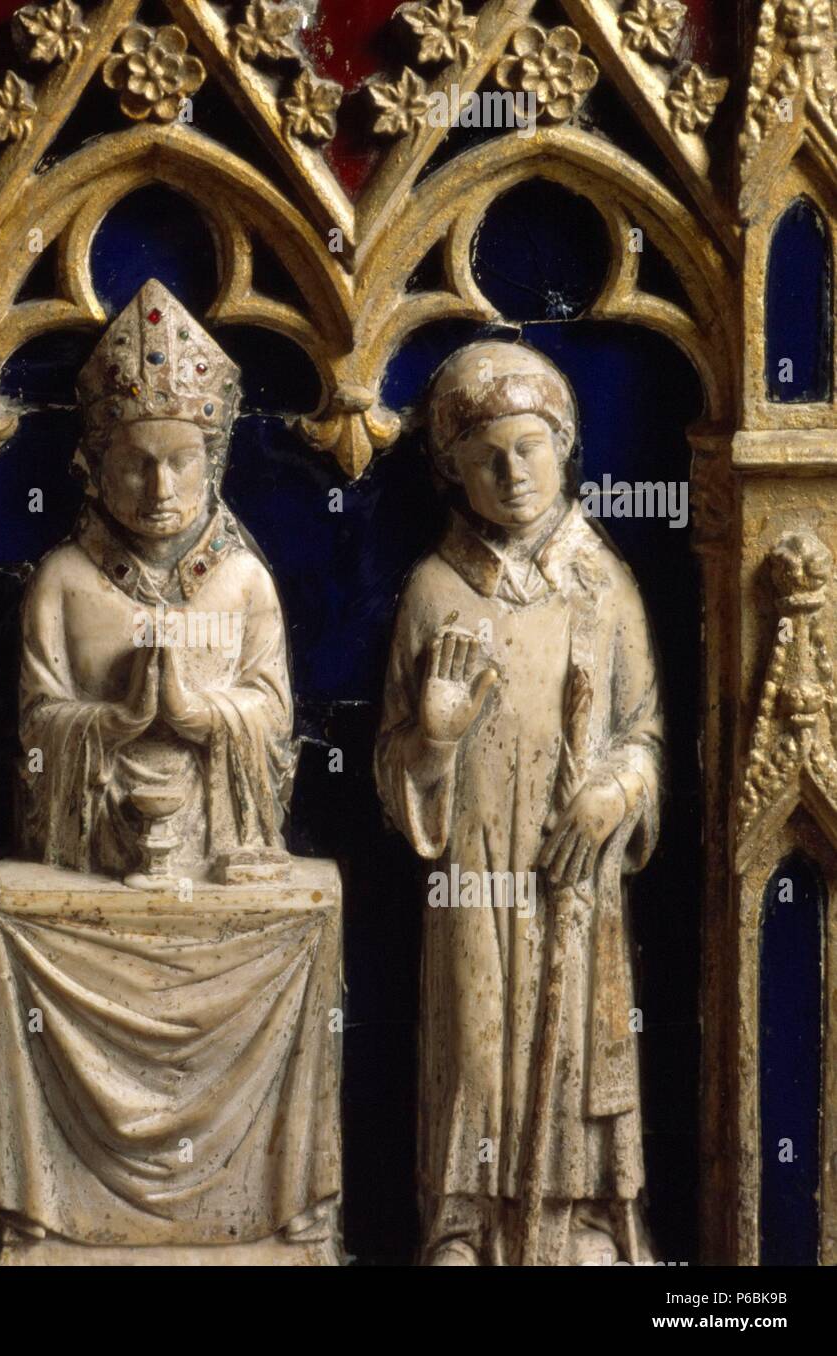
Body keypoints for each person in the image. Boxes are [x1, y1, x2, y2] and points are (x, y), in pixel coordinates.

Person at [374, 341, 663, 1265]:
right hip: (474, 878)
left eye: (530, 448)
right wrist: (435, 740)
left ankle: (578, 1221)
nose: (512, 472)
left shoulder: (603, 586)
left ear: (563, 447)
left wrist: (612, 795)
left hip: (572, 875)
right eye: (488, 455)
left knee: (577, 1045)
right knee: (475, 1052)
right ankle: (466, 1223)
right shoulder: (434, 590)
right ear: (453, 471)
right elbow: (393, 768)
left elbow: (646, 733)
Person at [19, 279, 294, 880]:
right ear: (94, 467)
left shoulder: (244, 581)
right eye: (135, 463)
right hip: (97, 843)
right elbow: (36, 729)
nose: (160, 489)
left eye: (180, 462)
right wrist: (115, 721)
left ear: (213, 464)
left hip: (216, 840)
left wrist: (195, 713)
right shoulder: (63, 580)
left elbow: (273, 720)